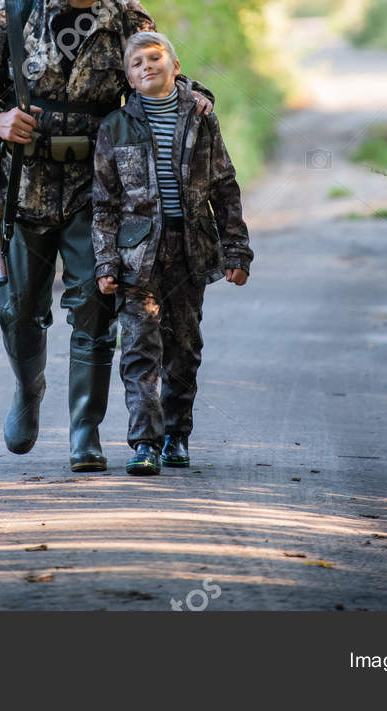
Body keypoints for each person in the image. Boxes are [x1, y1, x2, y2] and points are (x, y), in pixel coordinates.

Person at [0, 0, 212, 471]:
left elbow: (155, 74)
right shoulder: (12, 15)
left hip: (100, 192)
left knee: (95, 307)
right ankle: (28, 389)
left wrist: (192, 96)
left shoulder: (128, 19)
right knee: (16, 308)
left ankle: (84, 433)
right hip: (25, 187)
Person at [92, 30, 252, 475]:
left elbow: (224, 185)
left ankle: (177, 436)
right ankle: (144, 442)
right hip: (135, 258)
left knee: (184, 347)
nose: (147, 66)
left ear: (176, 66)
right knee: (140, 351)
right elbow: (104, 203)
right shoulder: (115, 126)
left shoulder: (201, 119)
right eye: (137, 62)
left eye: (155, 57)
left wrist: (237, 250)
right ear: (128, 77)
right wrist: (105, 262)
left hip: (190, 250)